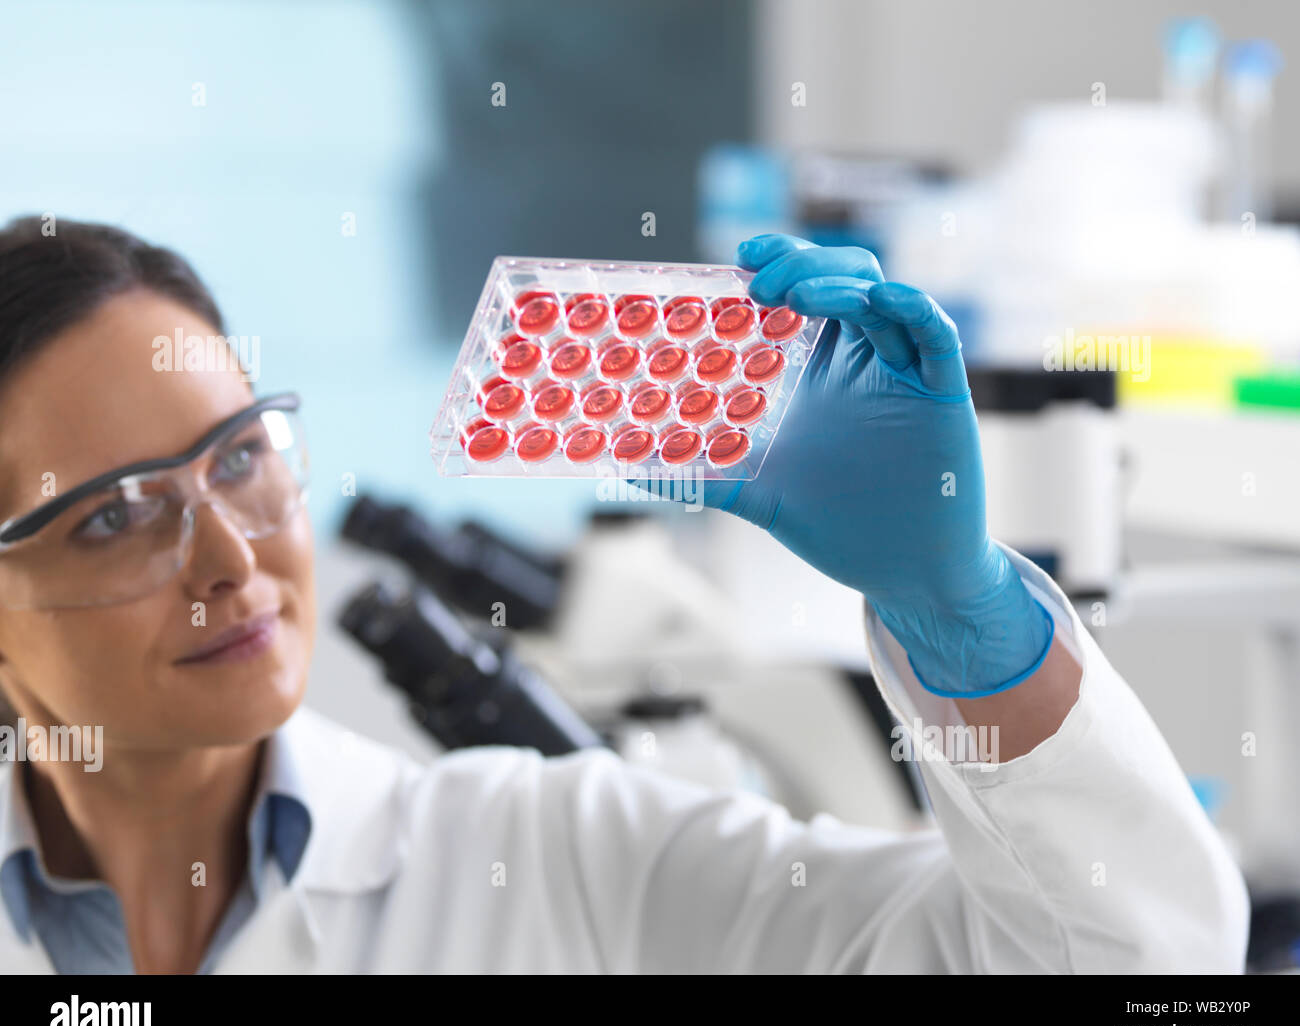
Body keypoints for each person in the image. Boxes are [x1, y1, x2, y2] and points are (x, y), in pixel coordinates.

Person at [0, 217, 1247, 974]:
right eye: (112, 516)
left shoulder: (550, 864)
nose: (229, 558)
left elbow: (1140, 981)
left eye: (240, 458)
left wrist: (959, 615)